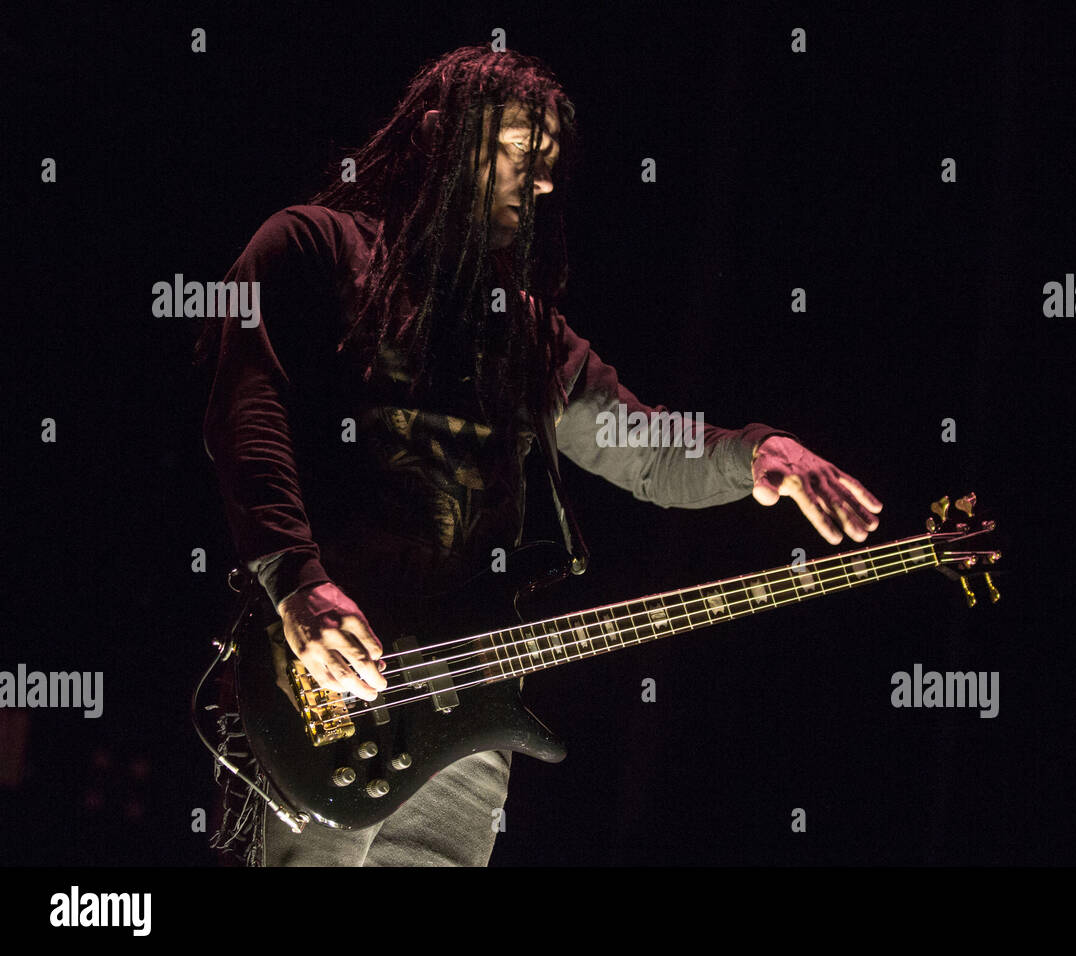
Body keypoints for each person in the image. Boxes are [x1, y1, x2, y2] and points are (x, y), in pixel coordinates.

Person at [194, 45, 882, 866]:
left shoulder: (524, 331)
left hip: (467, 711)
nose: (545, 182)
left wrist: (757, 451)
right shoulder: (312, 246)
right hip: (321, 678)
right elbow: (247, 415)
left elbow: (646, 449)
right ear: (440, 138)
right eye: (524, 150)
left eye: (551, 162)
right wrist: (296, 583)